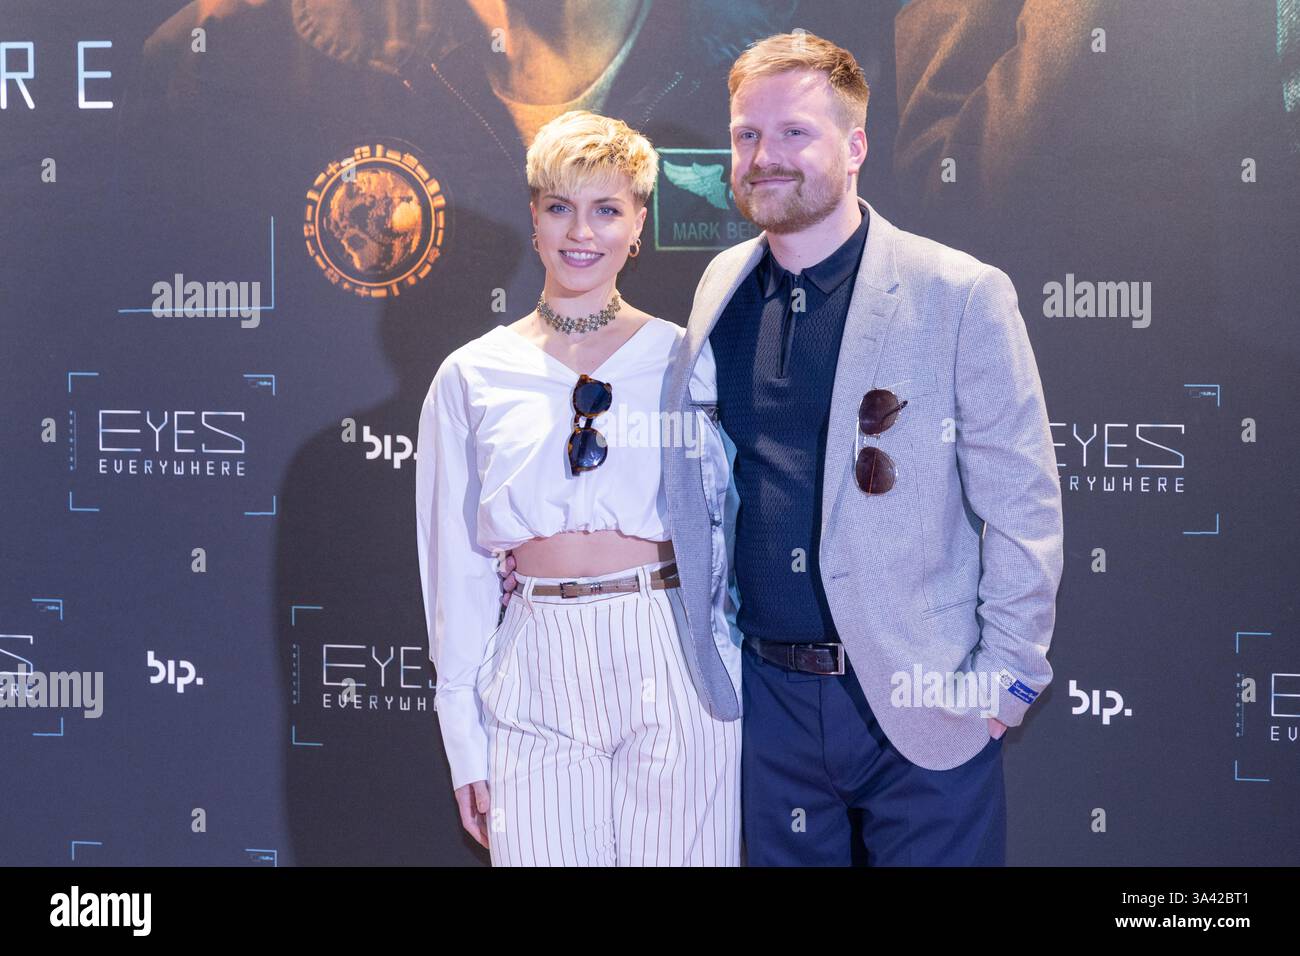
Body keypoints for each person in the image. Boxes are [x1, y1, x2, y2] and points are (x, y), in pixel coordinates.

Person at [656, 31, 1062, 865]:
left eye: (796, 132)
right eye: (746, 135)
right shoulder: (720, 287)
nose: (765, 156)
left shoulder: (960, 293)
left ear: (857, 146)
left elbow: (1023, 508)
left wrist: (1005, 689)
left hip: (925, 707)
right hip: (767, 708)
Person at [415, 109, 742, 866]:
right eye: (560, 207)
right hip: (533, 660)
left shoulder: (685, 358)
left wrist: (720, 658)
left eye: (606, 209)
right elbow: (456, 571)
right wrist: (463, 738)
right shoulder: (470, 375)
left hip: (669, 648)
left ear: (637, 223)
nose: (580, 232)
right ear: (534, 218)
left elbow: (726, 527)